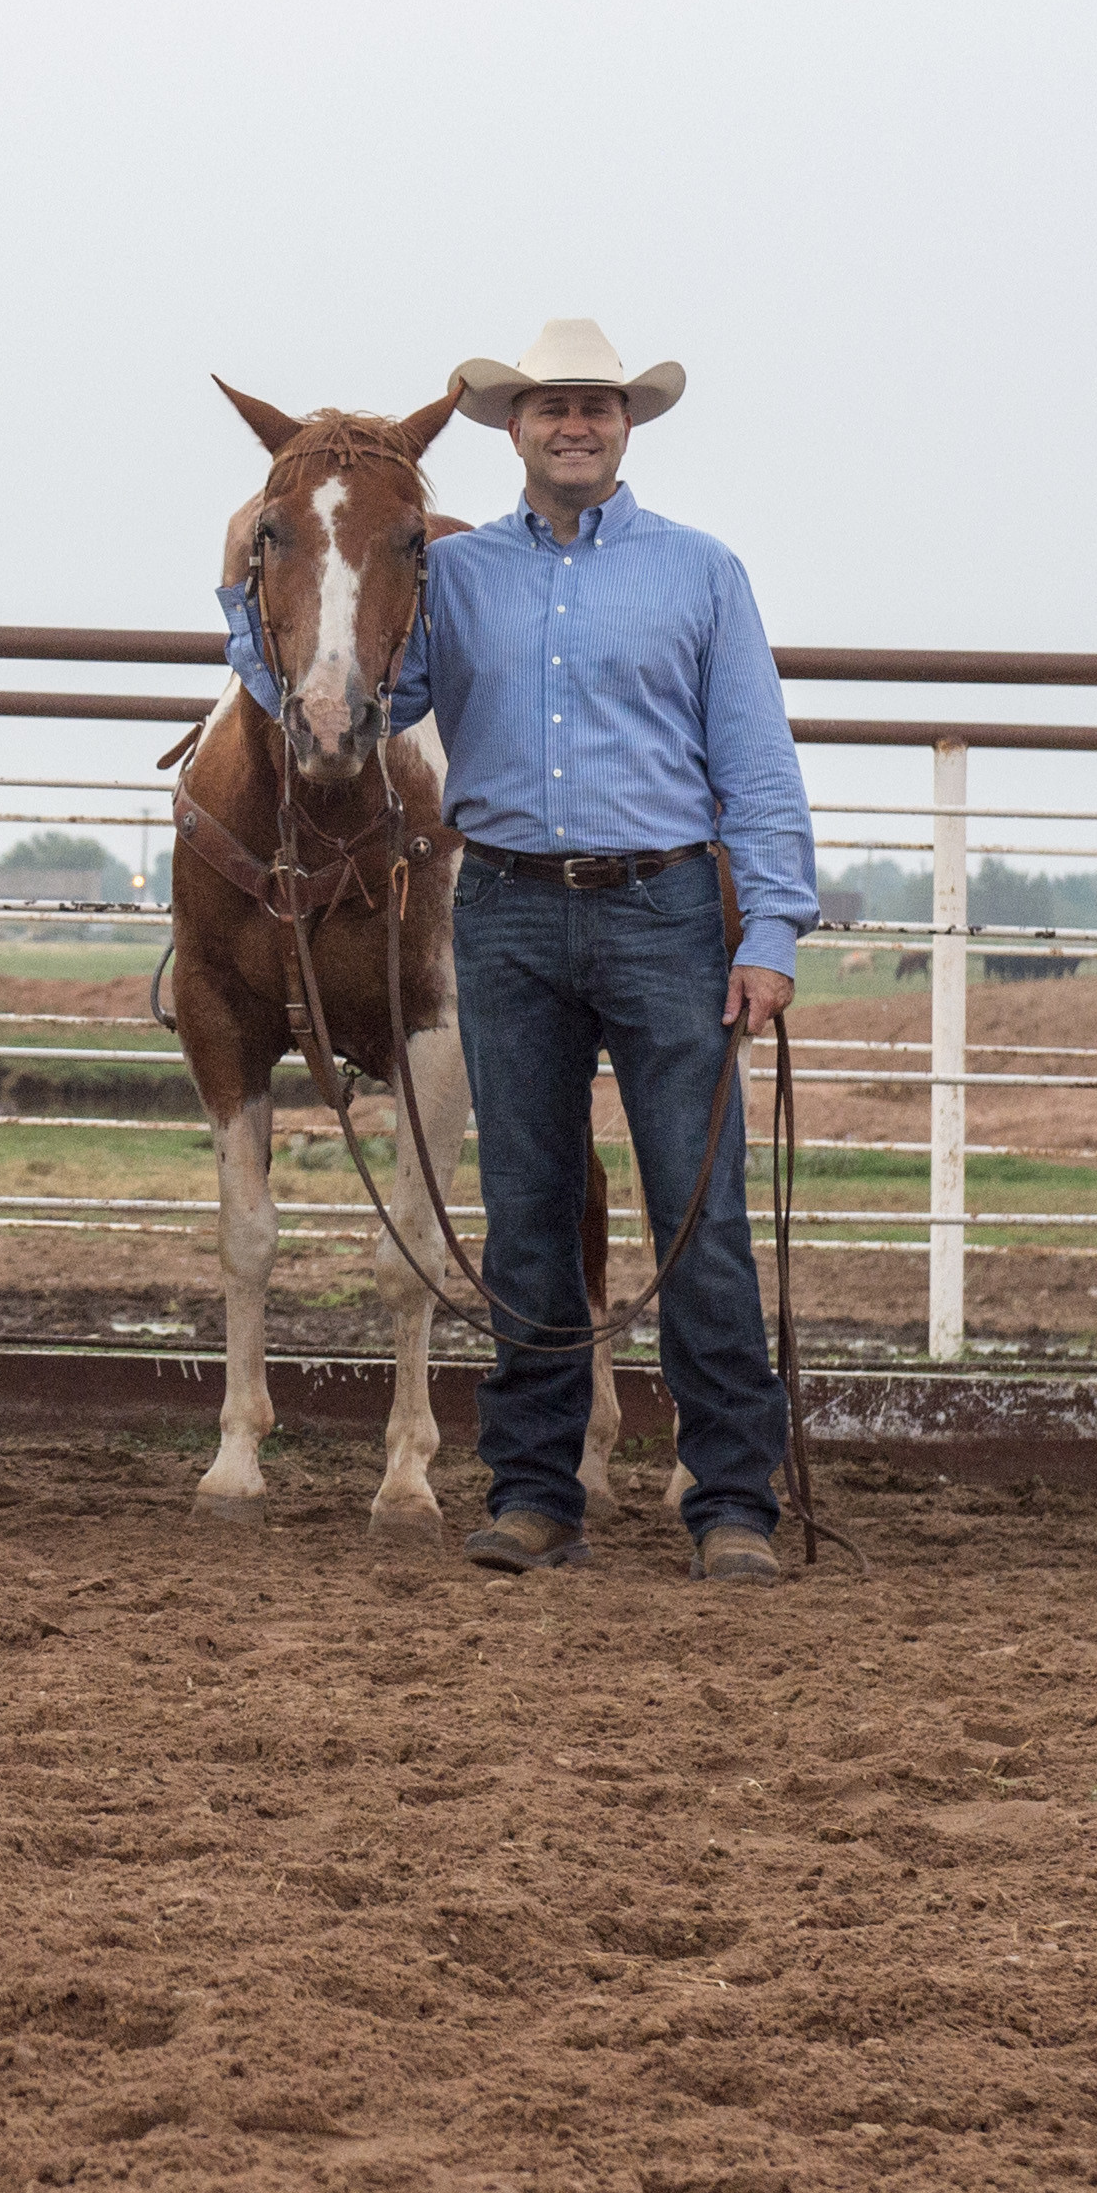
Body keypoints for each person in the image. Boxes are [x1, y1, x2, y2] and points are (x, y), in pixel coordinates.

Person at [229, 318, 814, 1582]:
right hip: (504, 908)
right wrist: (253, 589)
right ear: (515, 428)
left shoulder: (703, 573)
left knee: (697, 1215)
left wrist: (767, 930)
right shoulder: (461, 572)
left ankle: (731, 1501)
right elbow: (351, 698)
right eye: (552, 405)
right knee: (530, 1220)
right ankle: (537, 1492)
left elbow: (758, 768)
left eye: (597, 406)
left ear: (626, 425)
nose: (575, 425)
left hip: (666, 911)